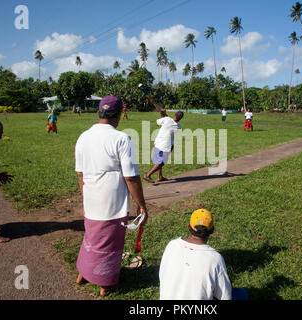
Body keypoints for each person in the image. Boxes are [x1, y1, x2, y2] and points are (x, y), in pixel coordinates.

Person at [75, 95, 148, 297]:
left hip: (90, 195)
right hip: (111, 200)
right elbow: (131, 177)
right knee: (109, 240)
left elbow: (80, 174)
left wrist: (86, 196)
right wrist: (141, 205)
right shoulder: (122, 139)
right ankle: (104, 283)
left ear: (100, 112)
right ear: (118, 115)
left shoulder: (83, 137)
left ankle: (83, 274)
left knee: (92, 237)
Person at [159, 208, 248, 300]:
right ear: (212, 230)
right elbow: (225, 297)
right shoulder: (215, 258)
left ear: (189, 227)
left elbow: (162, 276)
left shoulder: (172, 245)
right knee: (241, 294)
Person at [143, 109, 183, 183]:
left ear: (175, 115)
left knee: (159, 160)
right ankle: (147, 175)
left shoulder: (167, 119)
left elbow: (158, 123)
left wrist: (162, 115)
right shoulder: (178, 127)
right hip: (165, 146)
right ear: (180, 119)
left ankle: (160, 176)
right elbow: (170, 121)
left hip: (158, 143)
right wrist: (164, 115)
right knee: (160, 162)